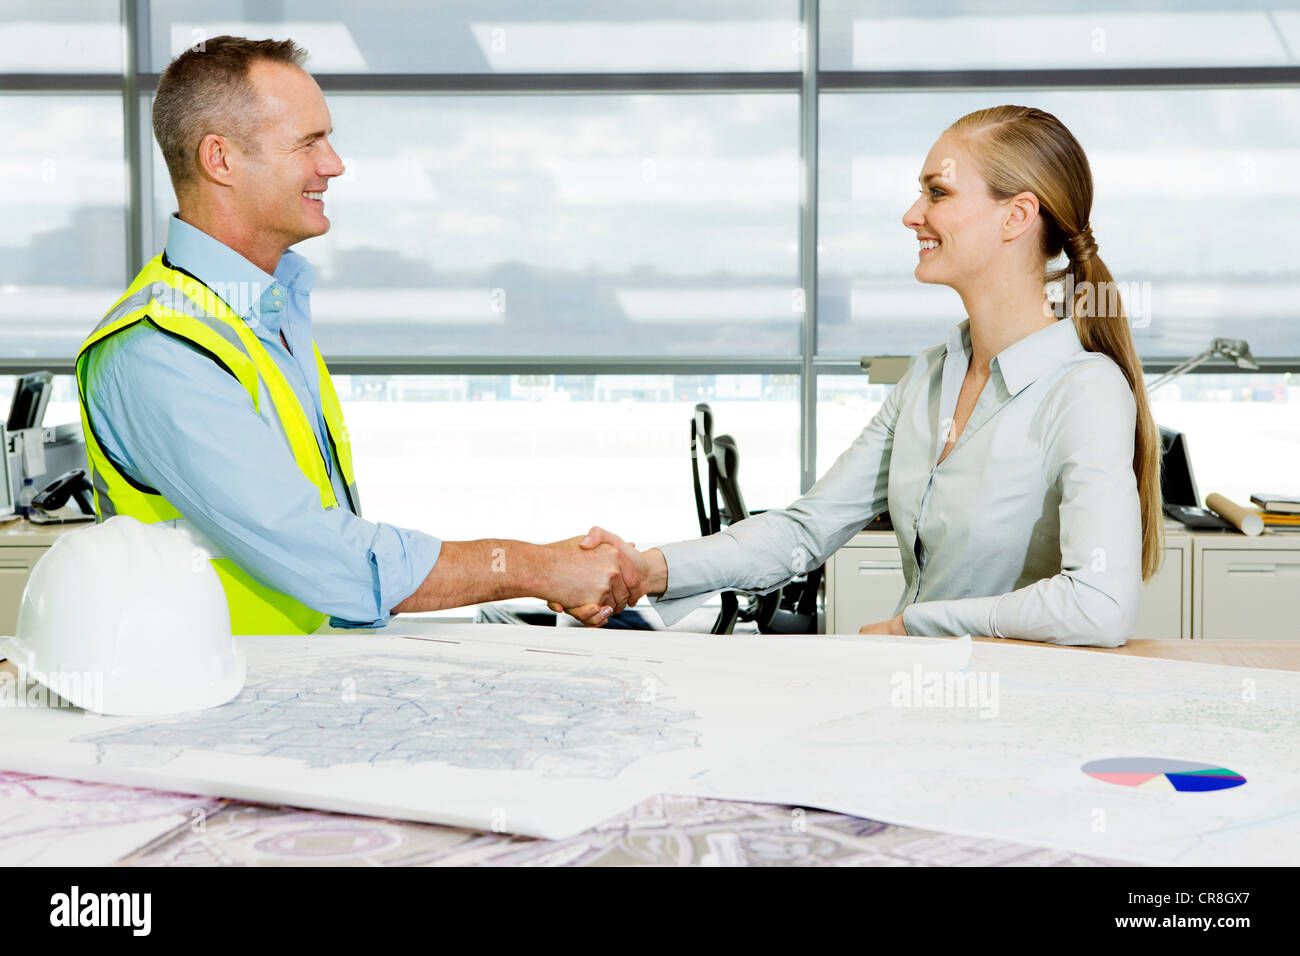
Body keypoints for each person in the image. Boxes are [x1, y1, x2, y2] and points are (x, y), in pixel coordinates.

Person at [76, 36, 640, 634]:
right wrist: (537, 567)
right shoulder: (159, 349)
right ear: (221, 160)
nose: (334, 164)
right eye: (308, 143)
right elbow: (333, 561)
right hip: (219, 697)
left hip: (296, 685)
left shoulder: (264, 309)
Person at [560, 105, 1163, 647]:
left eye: (938, 193)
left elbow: (1100, 606)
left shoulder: (1083, 390)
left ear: (1017, 216)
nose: (912, 215)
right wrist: (647, 569)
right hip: (910, 700)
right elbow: (807, 529)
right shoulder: (931, 376)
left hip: (1009, 720)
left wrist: (916, 623)